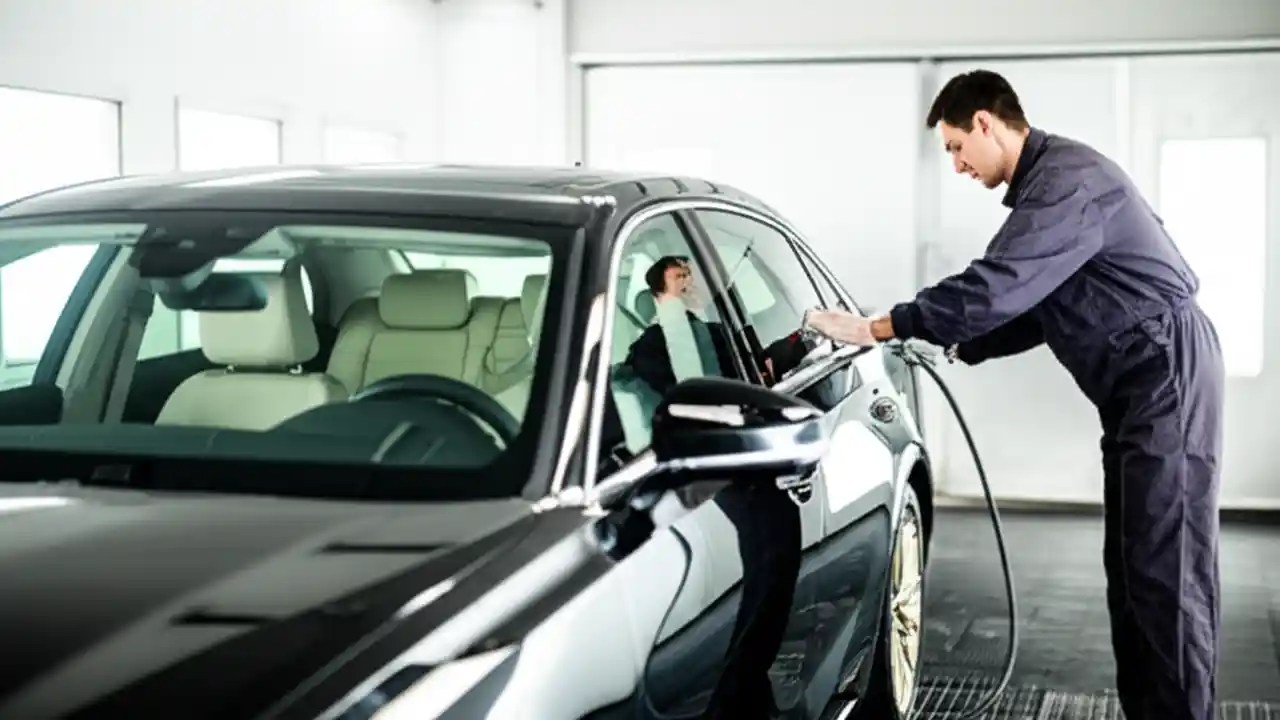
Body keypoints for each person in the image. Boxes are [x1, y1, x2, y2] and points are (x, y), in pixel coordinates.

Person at [806, 70, 1224, 720]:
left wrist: (882, 325)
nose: (956, 164)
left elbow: (998, 286)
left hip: (1166, 373)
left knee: (1165, 570)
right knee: (1134, 567)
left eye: (953, 147)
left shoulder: (1066, 182)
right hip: (1142, 383)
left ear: (985, 123)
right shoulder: (1050, 190)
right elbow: (1033, 308)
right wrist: (955, 343)